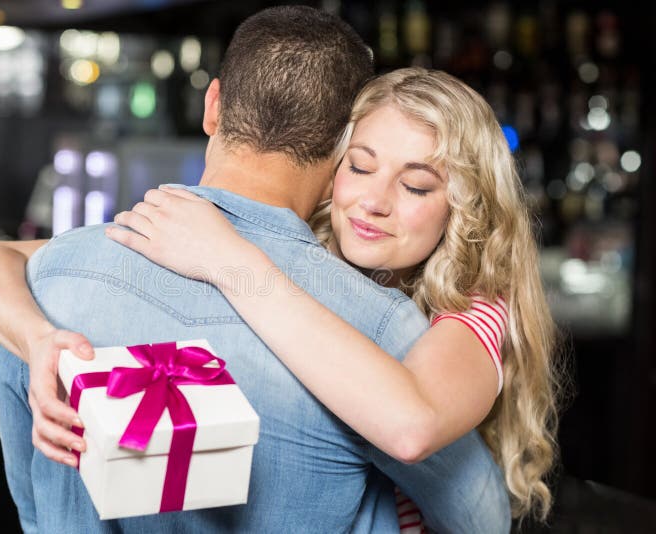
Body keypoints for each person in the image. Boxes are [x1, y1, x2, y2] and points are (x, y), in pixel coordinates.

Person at [0, 7, 510, 534]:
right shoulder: (381, 328)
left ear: (213, 105)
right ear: (342, 147)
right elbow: (480, 517)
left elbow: (32, 503)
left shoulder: (43, 285)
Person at [105, 67, 564, 527]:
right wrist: (39, 337)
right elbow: (37, 261)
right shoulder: (304, 253)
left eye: (416, 185)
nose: (375, 200)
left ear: (465, 208)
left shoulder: (477, 306)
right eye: (361, 166)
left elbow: (411, 427)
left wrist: (229, 261)